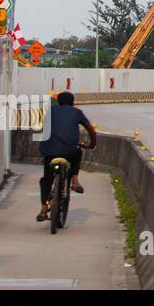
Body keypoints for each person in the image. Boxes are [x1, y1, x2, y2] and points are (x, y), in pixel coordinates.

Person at [36, 91, 96, 223]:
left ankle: (44, 208)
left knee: (47, 179)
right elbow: (90, 129)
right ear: (72, 102)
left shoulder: (50, 111)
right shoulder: (76, 112)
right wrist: (92, 144)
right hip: (69, 151)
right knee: (78, 152)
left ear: (58, 102)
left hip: (49, 151)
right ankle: (74, 180)